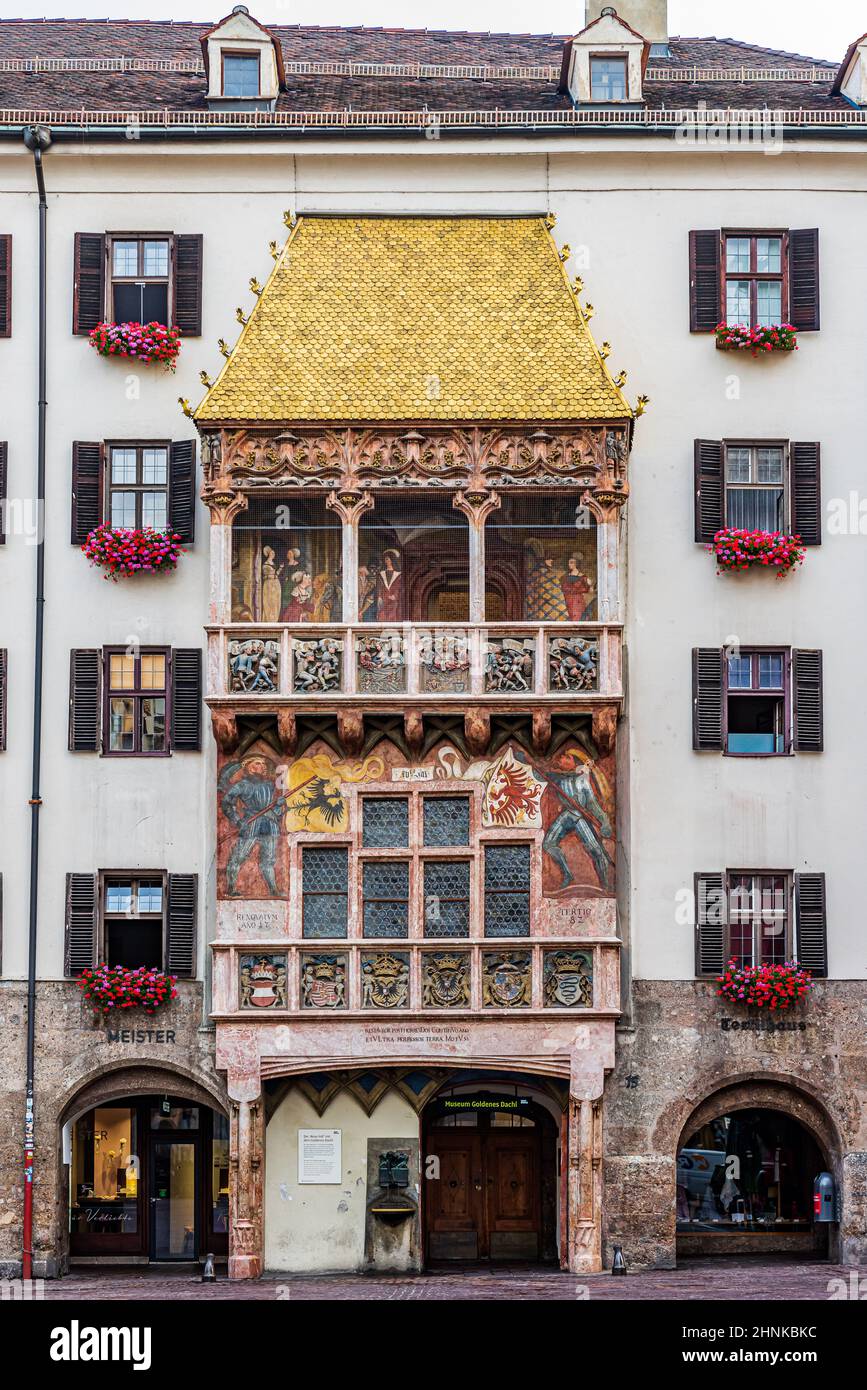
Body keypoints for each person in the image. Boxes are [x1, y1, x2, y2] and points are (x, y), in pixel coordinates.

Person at [540, 750, 614, 891]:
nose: (560, 760)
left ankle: (605, 885)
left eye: (564, 757)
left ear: (574, 761)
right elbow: (540, 774)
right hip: (567, 814)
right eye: (560, 758)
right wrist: (526, 761)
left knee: (597, 851)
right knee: (548, 843)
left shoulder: (582, 779)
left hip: (579, 816)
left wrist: (605, 822)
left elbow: (592, 803)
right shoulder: (557, 777)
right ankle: (567, 874)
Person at [219, 755, 284, 896]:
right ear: (249, 767)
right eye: (257, 763)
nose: (261, 766)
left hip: (270, 824)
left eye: (262, 764)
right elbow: (226, 802)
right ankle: (230, 889)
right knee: (238, 856)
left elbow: (275, 810)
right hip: (250, 824)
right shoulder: (242, 785)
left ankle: (273, 890)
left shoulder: (269, 785)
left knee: (269, 860)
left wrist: (278, 805)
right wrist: (237, 820)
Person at [560, 555, 595, 620]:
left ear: (576, 564)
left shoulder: (583, 577)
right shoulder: (565, 577)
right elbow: (563, 588)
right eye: (569, 562)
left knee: (577, 617)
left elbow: (589, 590)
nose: (569, 564)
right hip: (567, 600)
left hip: (578, 601)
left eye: (571, 562)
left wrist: (590, 585)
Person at [375, 549, 402, 622]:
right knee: (382, 617)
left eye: (387, 559)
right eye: (385, 559)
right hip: (384, 600)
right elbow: (379, 587)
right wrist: (379, 597)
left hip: (394, 602)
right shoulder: (381, 574)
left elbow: (399, 587)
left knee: (393, 617)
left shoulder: (399, 575)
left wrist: (395, 596)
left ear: (392, 559)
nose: (386, 561)